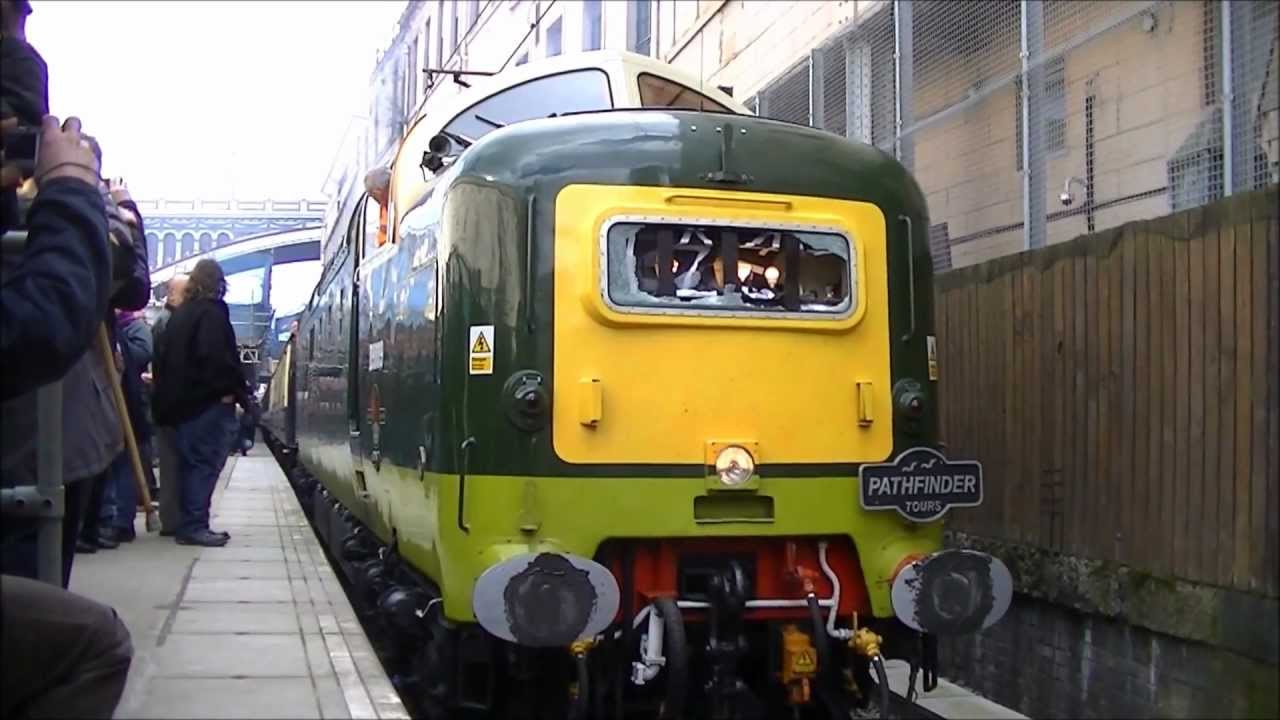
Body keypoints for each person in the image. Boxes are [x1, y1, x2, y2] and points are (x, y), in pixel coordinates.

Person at [152, 259, 249, 547]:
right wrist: (227, 391)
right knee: (203, 465)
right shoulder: (211, 315)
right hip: (207, 406)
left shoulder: (180, 316)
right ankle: (195, 526)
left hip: (181, 408)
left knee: (189, 465)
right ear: (219, 283)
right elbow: (215, 358)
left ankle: (188, 523)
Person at [149, 273, 187, 536]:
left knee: (172, 464)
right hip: (170, 405)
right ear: (174, 295)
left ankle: (172, 518)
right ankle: (172, 520)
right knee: (172, 465)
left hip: (167, 403)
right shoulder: (167, 323)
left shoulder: (168, 321)